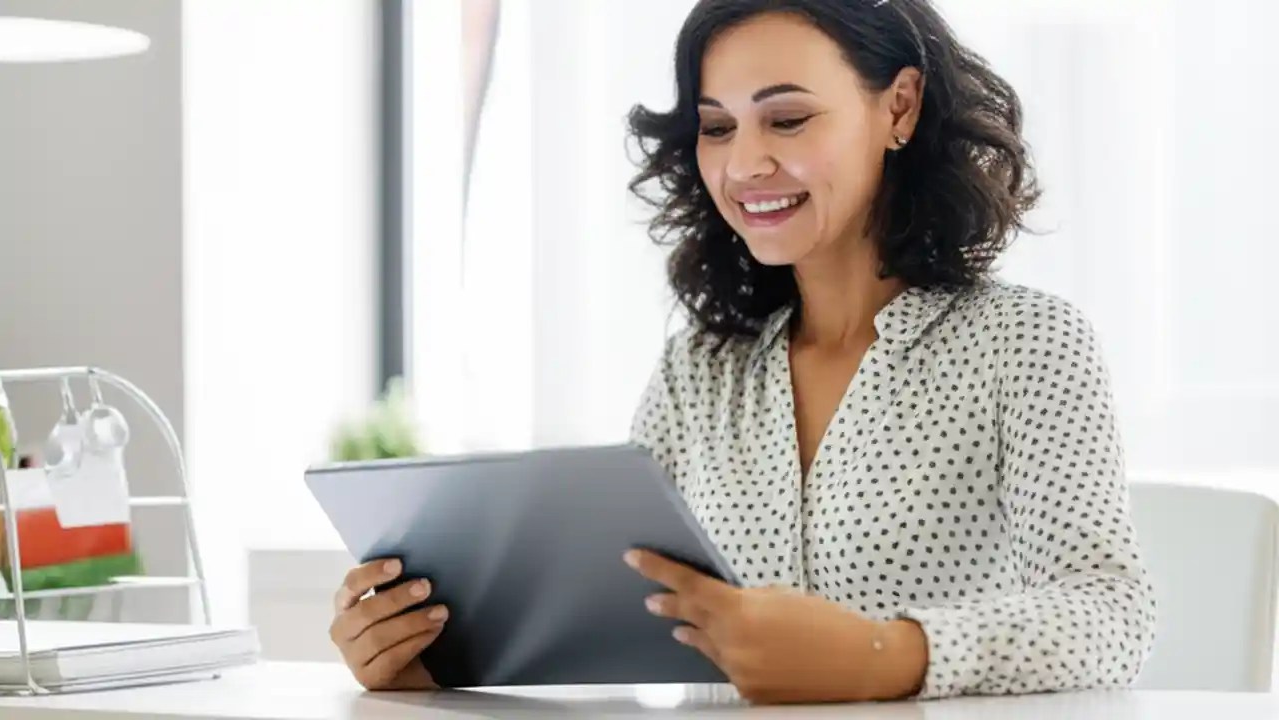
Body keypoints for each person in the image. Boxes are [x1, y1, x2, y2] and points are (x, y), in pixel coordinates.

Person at [328, 0, 1156, 703]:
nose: (745, 164)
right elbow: (608, 619)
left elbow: (1113, 615)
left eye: (788, 118)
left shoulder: (1027, 344)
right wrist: (434, 657)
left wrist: (883, 655)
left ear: (899, 107)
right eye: (716, 127)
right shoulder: (700, 371)